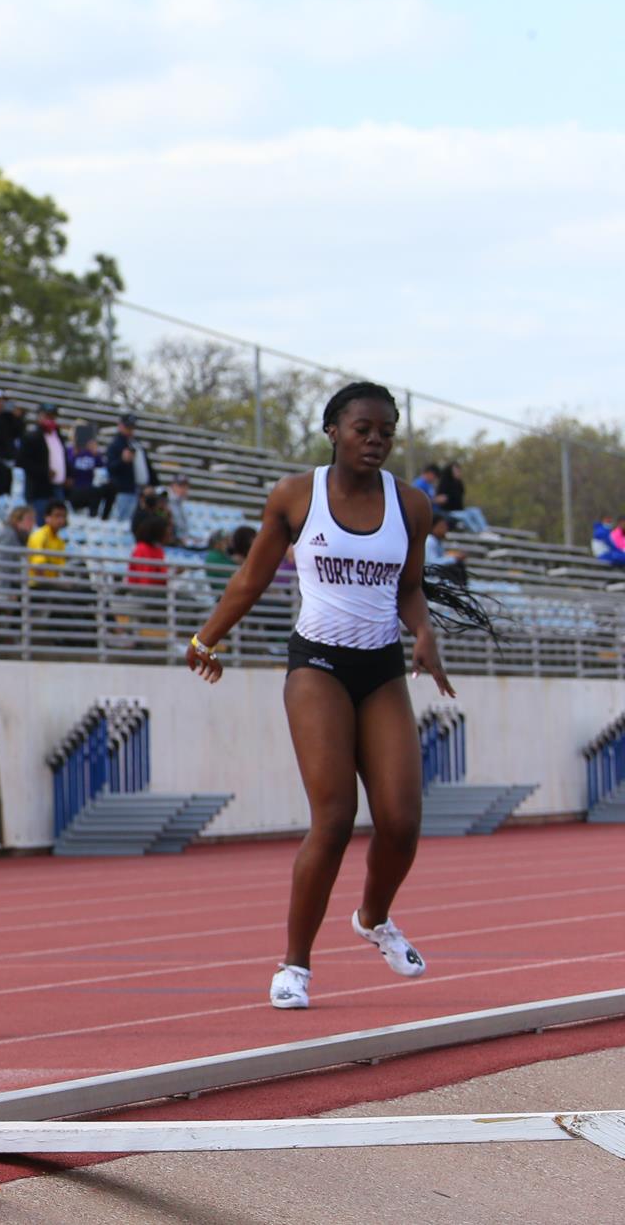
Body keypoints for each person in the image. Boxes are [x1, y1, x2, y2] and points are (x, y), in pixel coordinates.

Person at [186, 381, 494, 1012]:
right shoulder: (297, 496)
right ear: (333, 430)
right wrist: (206, 639)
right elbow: (253, 575)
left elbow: (410, 587)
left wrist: (425, 632)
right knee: (333, 819)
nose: (376, 440)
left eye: (386, 431)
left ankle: (373, 917)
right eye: (363, 429)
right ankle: (294, 965)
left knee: (403, 822)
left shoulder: (411, 506)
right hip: (318, 667)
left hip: (380, 670)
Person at [105, 413, 156, 523]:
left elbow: (147, 466)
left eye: (132, 427)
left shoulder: (136, 442)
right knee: (123, 522)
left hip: (141, 491)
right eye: (128, 427)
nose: (130, 430)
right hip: (124, 490)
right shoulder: (116, 444)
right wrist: (122, 461)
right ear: (120, 426)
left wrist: (152, 484)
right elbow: (110, 468)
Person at [17, 403, 68, 510]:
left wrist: (68, 474)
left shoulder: (59, 437)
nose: (50, 419)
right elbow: (23, 461)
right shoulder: (31, 437)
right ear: (39, 416)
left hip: (57, 487)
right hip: (39, 490)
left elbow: (64, 459)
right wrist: (45, 471)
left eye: (52, 417)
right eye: (47, 416)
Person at [434, 462, 489, 534]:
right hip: (449, 512)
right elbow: (439, 500)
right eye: (456, 471)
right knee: (465, 516)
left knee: (475, 511)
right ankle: (477, 533)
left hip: (460, 510)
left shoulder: (459, 483)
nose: (458, 473)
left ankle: (485, 530)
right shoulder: (444, 484)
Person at [26, 499, 70, 580]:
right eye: (57, 516)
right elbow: (38, 567)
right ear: (47, 517)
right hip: (37, 584)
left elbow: (59, 569)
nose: (60, 520)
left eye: (63, 516)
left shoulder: (60, 541)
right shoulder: (39, 536)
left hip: (52, 583)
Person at [67, 423, 105, 515]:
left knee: (99, 490)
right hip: (73, 490)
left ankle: (95, 517)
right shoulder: (70, 450)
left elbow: (102, 468)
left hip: (89, 489)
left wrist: (96, 454)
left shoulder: (93, 452)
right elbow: (67, 467)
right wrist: (74, 455)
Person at [127, 509, 169, 587]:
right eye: (166, 532)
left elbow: (162, 575)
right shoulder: (142, 549)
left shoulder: (159, 549)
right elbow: (144, 579)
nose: (168, 535)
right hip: (142, 591)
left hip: (158, 590)